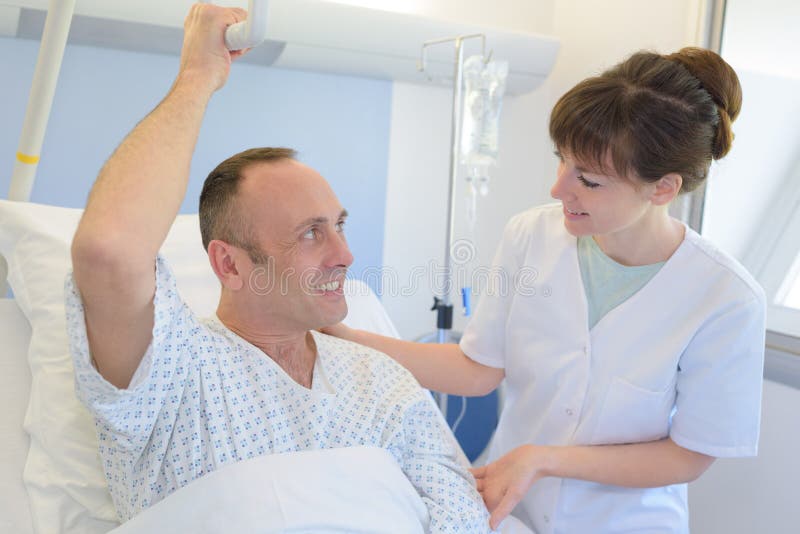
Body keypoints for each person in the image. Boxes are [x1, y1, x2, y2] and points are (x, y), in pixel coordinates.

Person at [66, 4, 491, 531]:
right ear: (230, 264)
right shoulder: (174, 374)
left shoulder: (381, 381)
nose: (345, 255)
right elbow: (109, 250)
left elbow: (462, 517)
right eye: (311, 233)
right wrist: (198, 78)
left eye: (340, 225)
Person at [323, 47, 766, 533]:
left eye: (589, 181)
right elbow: (478, 369)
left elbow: (688, 457)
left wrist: (545, 459)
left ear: (662, 188)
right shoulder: (531, 235)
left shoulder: (725, 298)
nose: (559, 189)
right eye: (562, 161)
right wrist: (342, 336)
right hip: (514, 512)